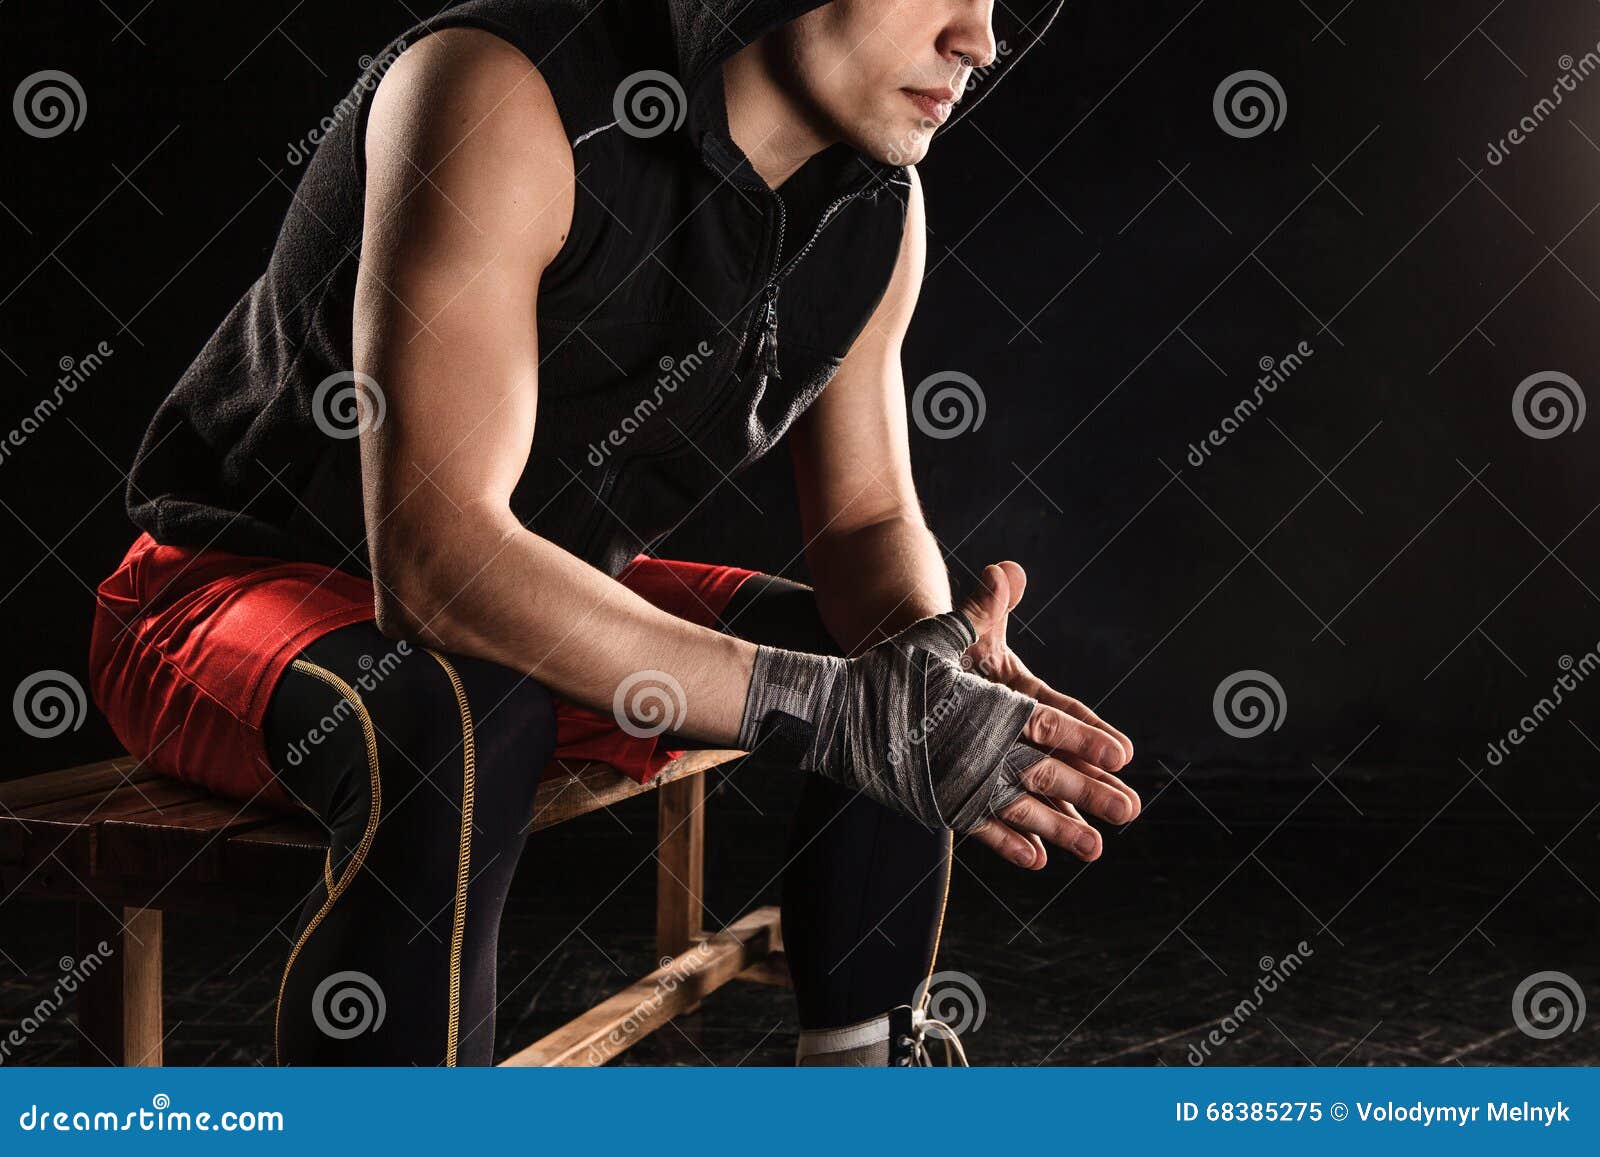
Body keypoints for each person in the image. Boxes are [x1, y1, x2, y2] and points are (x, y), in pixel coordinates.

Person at [88, 0, 1138, 1067]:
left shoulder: (875, 205)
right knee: (458, 705)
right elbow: (439, 567)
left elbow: (869, 518)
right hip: (228, 594)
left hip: (549, 609)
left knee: (898, 670)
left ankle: (863, 1071)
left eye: (998, 2)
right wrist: (819, 706)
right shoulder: (499, 88)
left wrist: (926, 656)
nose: (980, 40)